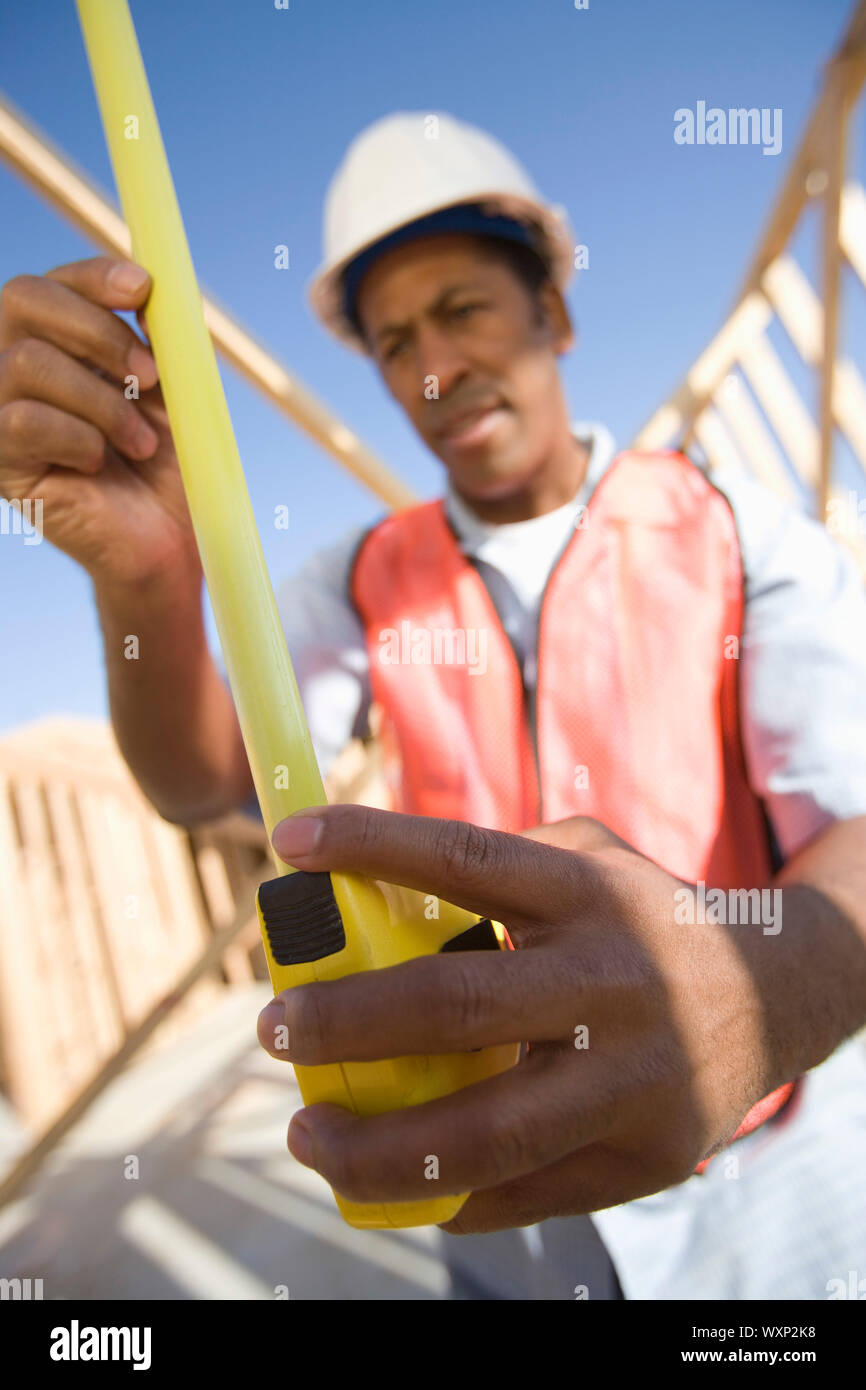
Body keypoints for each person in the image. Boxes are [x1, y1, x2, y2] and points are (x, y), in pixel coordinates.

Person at [1, 110, 865, 1300]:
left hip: (767, 1174)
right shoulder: (361, 580)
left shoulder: (731, 528)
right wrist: (145, 578)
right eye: (394, 339)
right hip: (492, 1179)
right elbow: (202, 777)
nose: (432, 365)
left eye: (462, 309)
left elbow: (853, 823)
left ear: (553, 317)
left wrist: (762, 988)